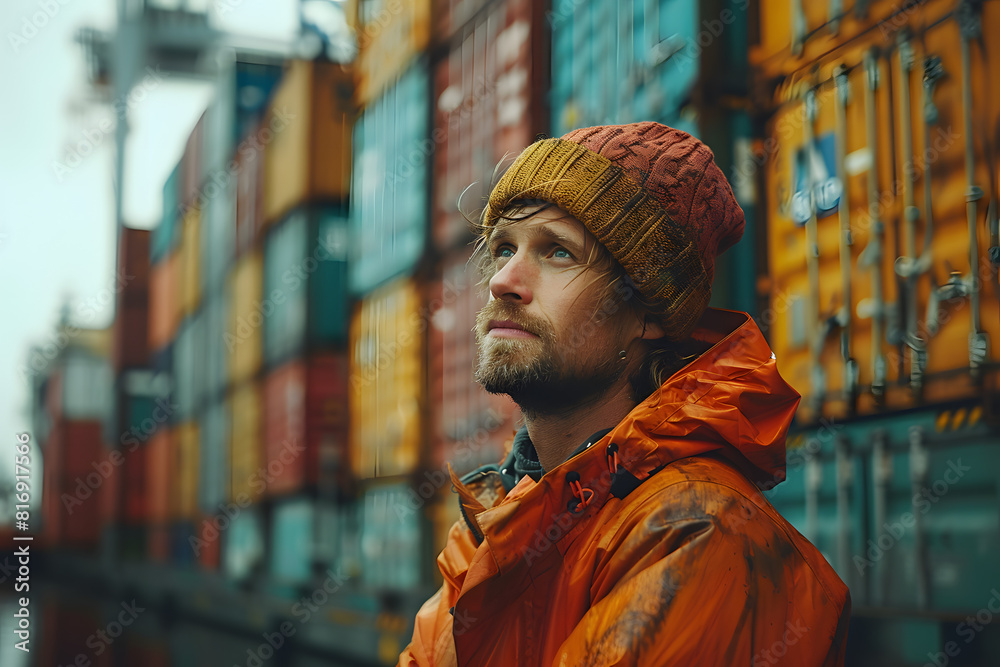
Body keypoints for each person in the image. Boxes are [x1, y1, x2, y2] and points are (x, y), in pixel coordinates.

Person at [398, 122, 850, 666]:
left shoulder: (695, 531)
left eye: (558, 253)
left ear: (647, 314)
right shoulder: (498, 527)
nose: (504, 280)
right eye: (502, 248)